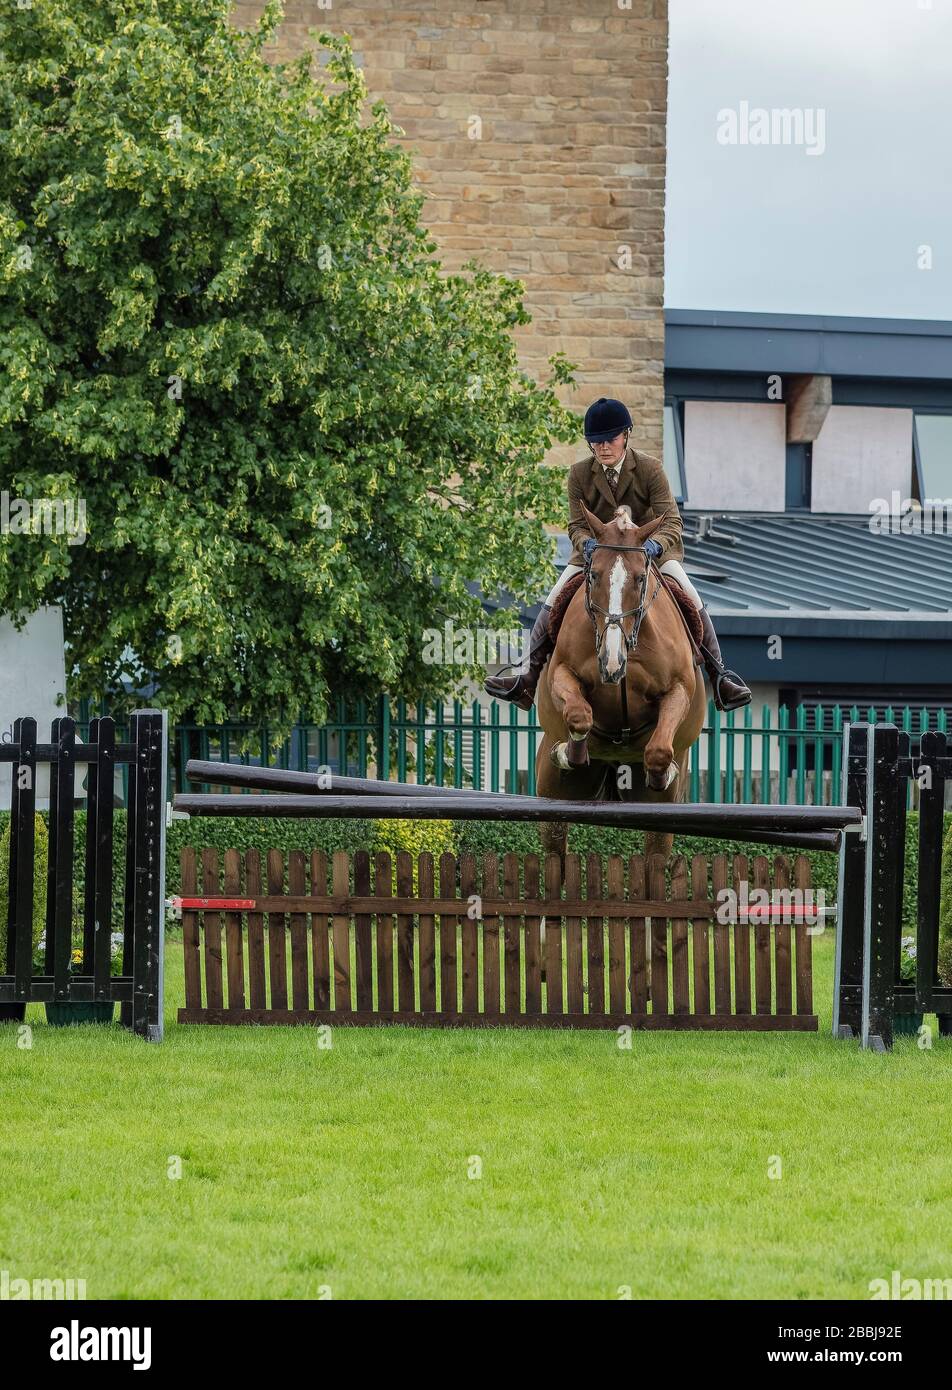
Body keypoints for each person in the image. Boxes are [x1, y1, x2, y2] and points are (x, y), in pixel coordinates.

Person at [484, 396, 752, 712]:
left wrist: (654, 546)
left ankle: (720, 677)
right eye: (595, 442)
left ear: (626, 435)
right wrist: (587, 546)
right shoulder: (579, 474)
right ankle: (526, 678)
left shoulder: (651, 469)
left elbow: (672, 522)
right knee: (554, 597)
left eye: (609, 440)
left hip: (651, 554)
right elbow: (576, 526)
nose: (602, 448)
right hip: (598, 556)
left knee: (690, 595)